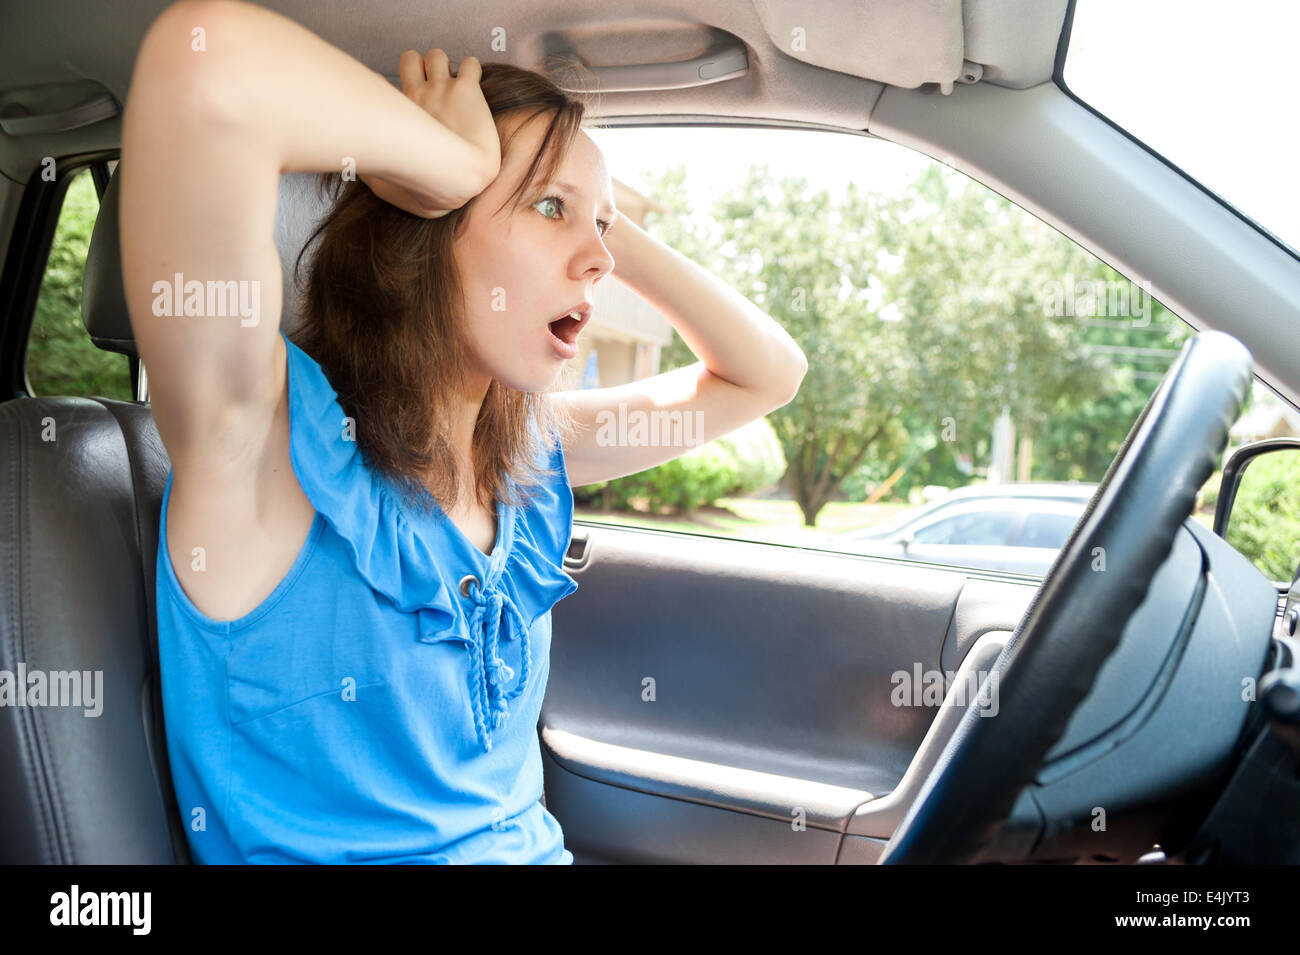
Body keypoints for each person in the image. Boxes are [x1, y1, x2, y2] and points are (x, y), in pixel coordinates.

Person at [121, 0, 807, 864]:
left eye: (601, 229)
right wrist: (453, 158)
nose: (599, 258)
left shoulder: (520, 454)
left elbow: (768, 373)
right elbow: (204, 67)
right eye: (549, 209)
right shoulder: (258, 440)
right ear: (427, 223)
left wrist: (590, 206)